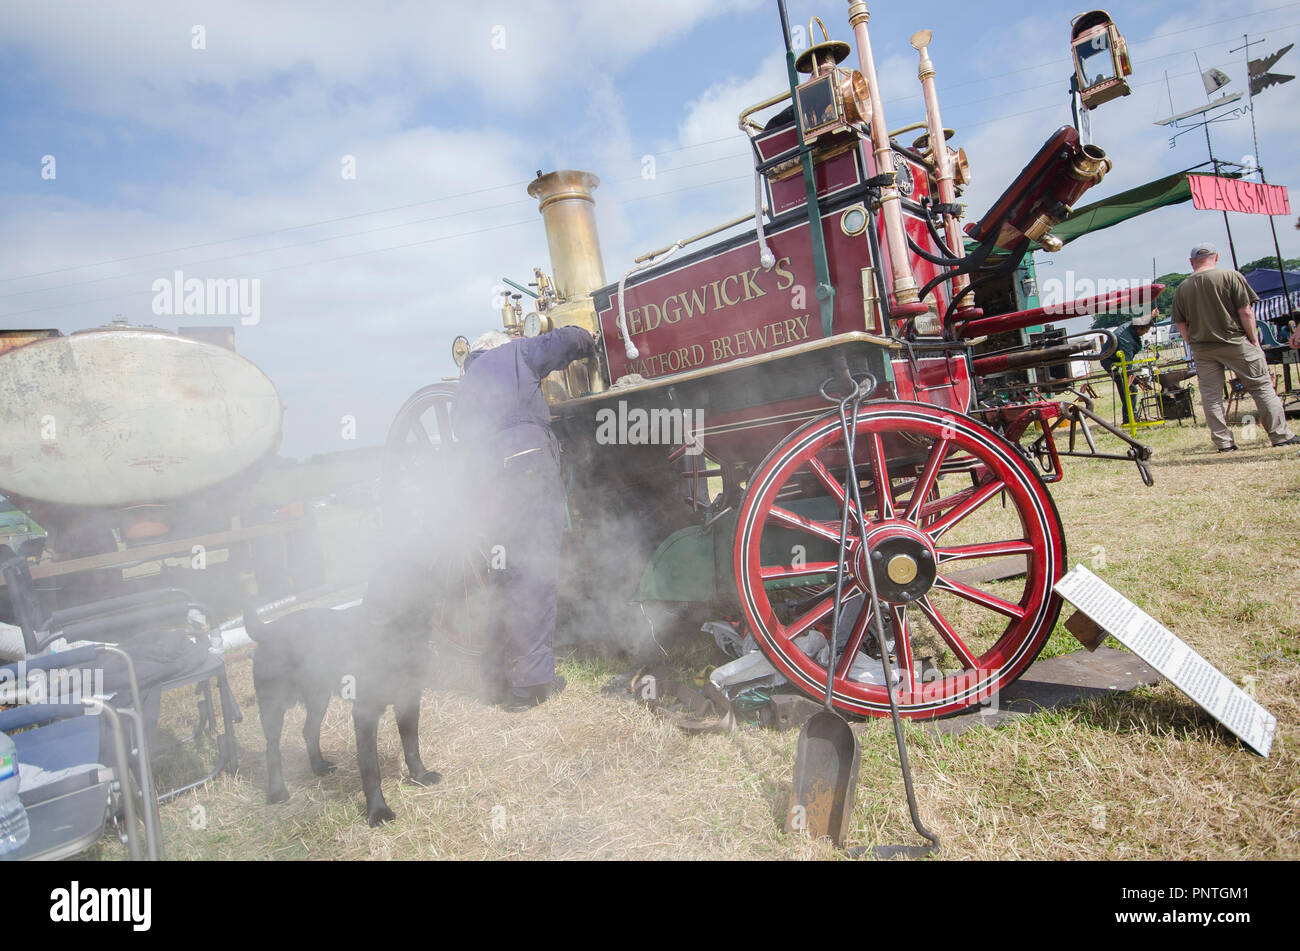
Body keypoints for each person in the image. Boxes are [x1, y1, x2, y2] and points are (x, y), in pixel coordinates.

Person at [451, 325, 597, 711]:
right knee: (534, 574)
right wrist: (590, 337)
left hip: (487, 488)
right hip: (525, 471)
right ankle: (528, 688)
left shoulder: (463, 387)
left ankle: (497, 679)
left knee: (504, 577)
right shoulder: (514, 354)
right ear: (502, 344)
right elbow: (565, 341)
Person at [1170, 242, 1298, 452]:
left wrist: (1193, 343)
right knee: (1261, 387)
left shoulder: (1183, 288)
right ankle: (1280, 435)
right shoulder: (1231, 276)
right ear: (1216, 257)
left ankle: (1223, 443)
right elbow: (1246, 311)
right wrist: (1254, 340)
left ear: (1191, 262)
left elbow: (1181, 324)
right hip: (1236, 341)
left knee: (1211, 397)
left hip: (1203, 348)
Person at [1100, 309, 1156, 424]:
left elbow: (1140, 320)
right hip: (1111, 362)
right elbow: (1128, 366)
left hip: (1116, 358)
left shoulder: (1133, 325)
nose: (1145, 332)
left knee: (1130, 385)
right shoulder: (1126, 340)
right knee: (1129, 388)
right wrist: (1135, 378)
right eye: (1146, 330)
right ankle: (1130, 418)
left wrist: (1151, 315)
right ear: (1139, 328)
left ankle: (1130, 416)